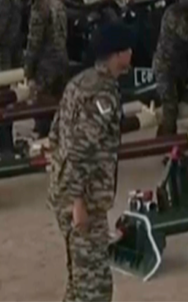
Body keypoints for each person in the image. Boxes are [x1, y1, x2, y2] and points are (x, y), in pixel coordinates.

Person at [45, 22, 133, 302]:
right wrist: (78, 201)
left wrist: (60, 179)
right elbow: (82, 149)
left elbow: (55, 134)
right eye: (128, 49)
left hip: (64, 190)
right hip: (83, 199)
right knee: (94, 285)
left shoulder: (80, 82)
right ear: (117, 54)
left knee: (79, 278)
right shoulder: (103, 93)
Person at [153, 0, 188, 136]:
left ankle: (165, 140)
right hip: (166, 67)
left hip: (179, 66)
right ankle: (164, 143)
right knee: (170, 107)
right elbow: (187, 34)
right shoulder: (174, 13)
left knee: (175, 106)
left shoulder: (186, 12)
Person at [25, 0, 70, 136]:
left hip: (46, 64)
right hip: (62, 59)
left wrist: (28, 69)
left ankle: (45, 137)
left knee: (43, 102)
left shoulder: (39, 8)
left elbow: (34, 42)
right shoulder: (58, 5)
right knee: (60, 100)